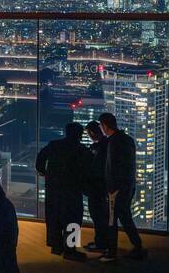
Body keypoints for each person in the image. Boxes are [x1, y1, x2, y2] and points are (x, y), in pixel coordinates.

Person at [35, 122, 91, 261]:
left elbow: (41, 157)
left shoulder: (54, 145)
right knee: (73, 219)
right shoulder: (81, 149)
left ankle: (56, 246)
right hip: (72, 190)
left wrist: (43, 171)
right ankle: (70, 250)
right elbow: (89, 168)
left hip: (53, 188)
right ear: (79, 134)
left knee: (54, 217)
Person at [98, 112, 146, 262]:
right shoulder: (127, 139)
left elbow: (112, 167)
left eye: (101, 126)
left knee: (112, 220)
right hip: (129, 186)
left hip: (116, 189)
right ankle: (138, 247)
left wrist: (111, 189)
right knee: (125, 218)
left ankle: (111, 253)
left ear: (105, 126)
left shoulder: (113, 143)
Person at [84, 121, 112, 253]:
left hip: (96, 187)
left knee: (97, 215)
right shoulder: (107, 144)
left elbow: (94, 167)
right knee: (102, 215)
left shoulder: (98, 148)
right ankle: (102, 242)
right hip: (103, 186)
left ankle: (101, 243)